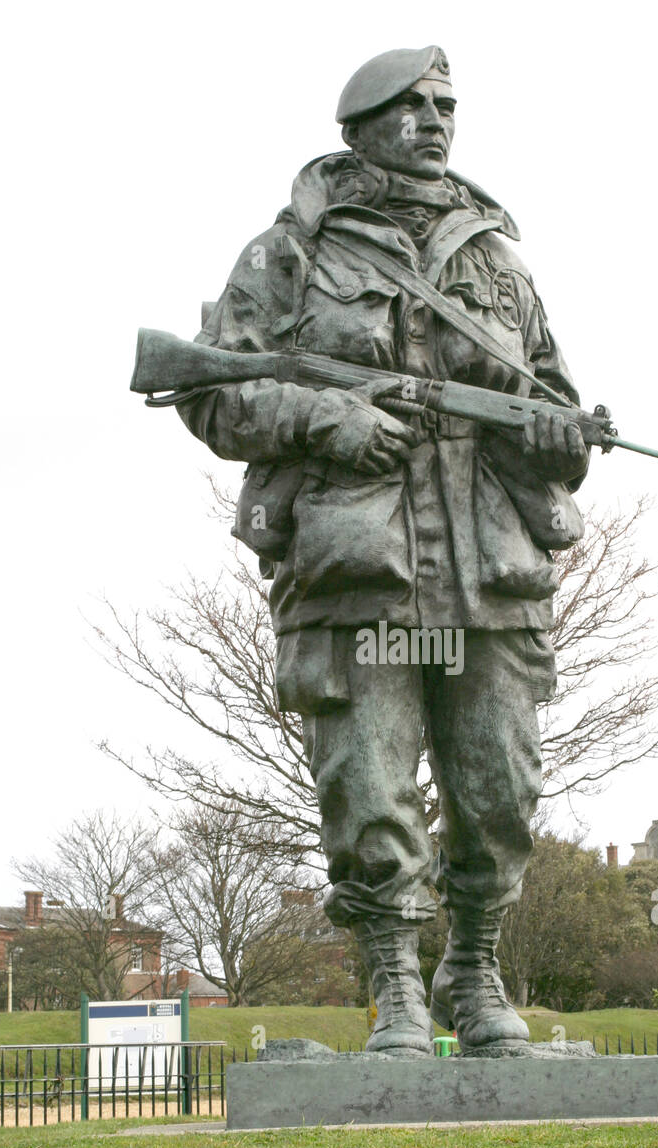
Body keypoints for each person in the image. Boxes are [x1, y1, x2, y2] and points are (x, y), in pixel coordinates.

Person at [176, 46, 589, 1057]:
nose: (433, 120)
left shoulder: (496, 259)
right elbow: (210, 389)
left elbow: (556, 406)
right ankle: (395, 985)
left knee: (500, 788)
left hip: (490, 568)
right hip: (357, 570)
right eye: (408, 106)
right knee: (367, 786)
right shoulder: (290, 254)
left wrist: (554, 435)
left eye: (444, 104)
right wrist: (328, 424)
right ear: (357, 128)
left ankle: (473, 968)